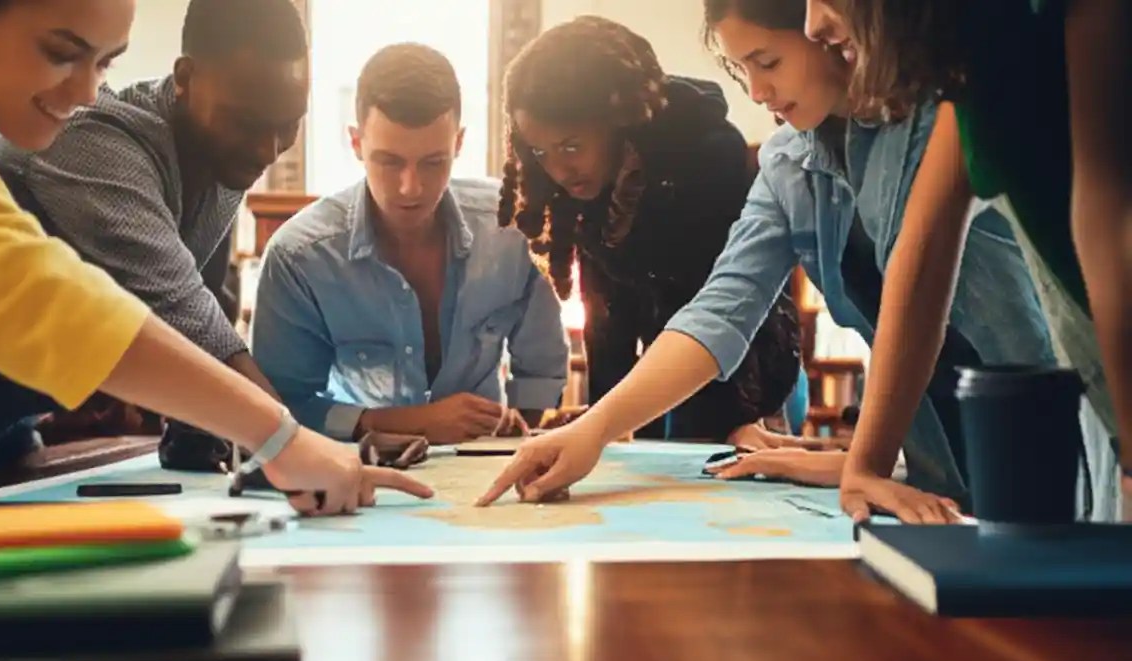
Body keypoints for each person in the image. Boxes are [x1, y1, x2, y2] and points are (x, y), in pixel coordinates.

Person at [475, 0, 1057, 516]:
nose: (755, 91)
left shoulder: (941, 119)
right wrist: (595, 428)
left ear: (829, 29)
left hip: (1049, 444)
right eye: (741, 68)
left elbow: (922, 293)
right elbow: (719, 312)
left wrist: (865, 461)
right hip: (935, 480)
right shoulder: (786, 166)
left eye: (768, 62)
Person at [0, 0, 430, 514]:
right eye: (60, 52)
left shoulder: (214, 169)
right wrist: (287, 439)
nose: (84, 94)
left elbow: (207, 309)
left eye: (105, 63)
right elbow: (30, 289)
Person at [801, 0, 1129, 521]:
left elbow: (1109, 221)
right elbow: (923, 254)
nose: (812, 24)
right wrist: (866, 465)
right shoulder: (971, 61)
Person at [0, 0, 308, 469]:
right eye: (248, 123)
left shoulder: (222, 154)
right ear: (185, 79)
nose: (268, 150)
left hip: (9, 419)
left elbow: (204, 312)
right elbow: (186, 315)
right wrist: (297, 445)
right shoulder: (91, 134)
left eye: (288, 124)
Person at [498, 15, 802, 444]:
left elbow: (727, 311)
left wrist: (727, 425)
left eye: (570, 146)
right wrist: (600, 428)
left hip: (751, 373)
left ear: (616, 120)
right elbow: (606, 322)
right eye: (540, 152)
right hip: (661, 380)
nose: (558, 168)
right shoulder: (583, 188)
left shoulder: (709, 157)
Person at [252, 43, 569, 445]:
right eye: (389, 161)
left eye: (433, 162)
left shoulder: (513, 229)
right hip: (353, 471)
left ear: (458, 144)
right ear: (356, 143)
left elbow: (540, 373)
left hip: (484, 463)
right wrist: (414, 422)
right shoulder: (299, 256)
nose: (411, 187)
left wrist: (517, 434)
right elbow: (278, 407)